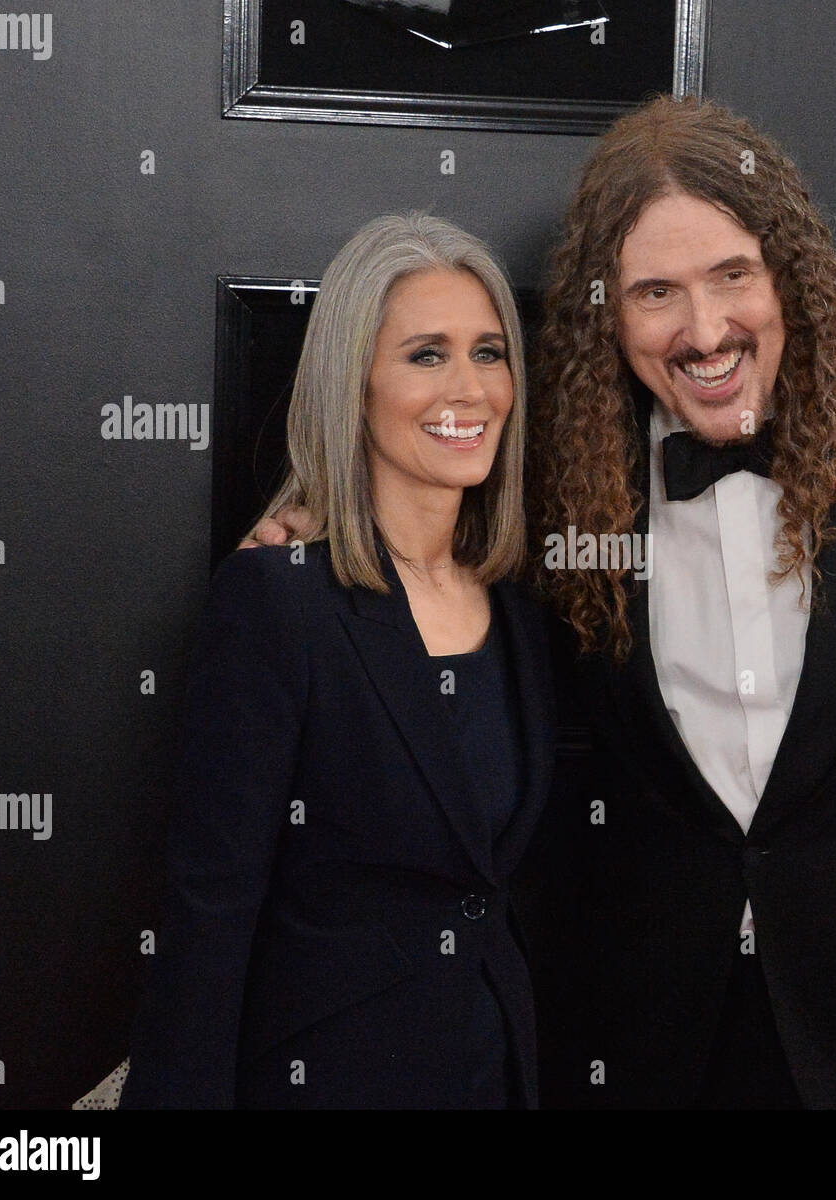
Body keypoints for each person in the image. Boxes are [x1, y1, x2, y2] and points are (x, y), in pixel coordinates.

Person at [252, 98, 836, 1109]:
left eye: (731, 276)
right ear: (606, 310)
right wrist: (314, 525)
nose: (703, 331)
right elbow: (420, 494)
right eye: (654, 291)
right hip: (648, 1035)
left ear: (785, 270)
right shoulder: (563, 454)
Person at [120, 213, 555, 1109]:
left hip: (493, 1073)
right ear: (350, 384)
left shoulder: (515, 607)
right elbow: (211, 909)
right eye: (426, 355)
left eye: (489, 351)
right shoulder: (276, 598)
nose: (469, 388)